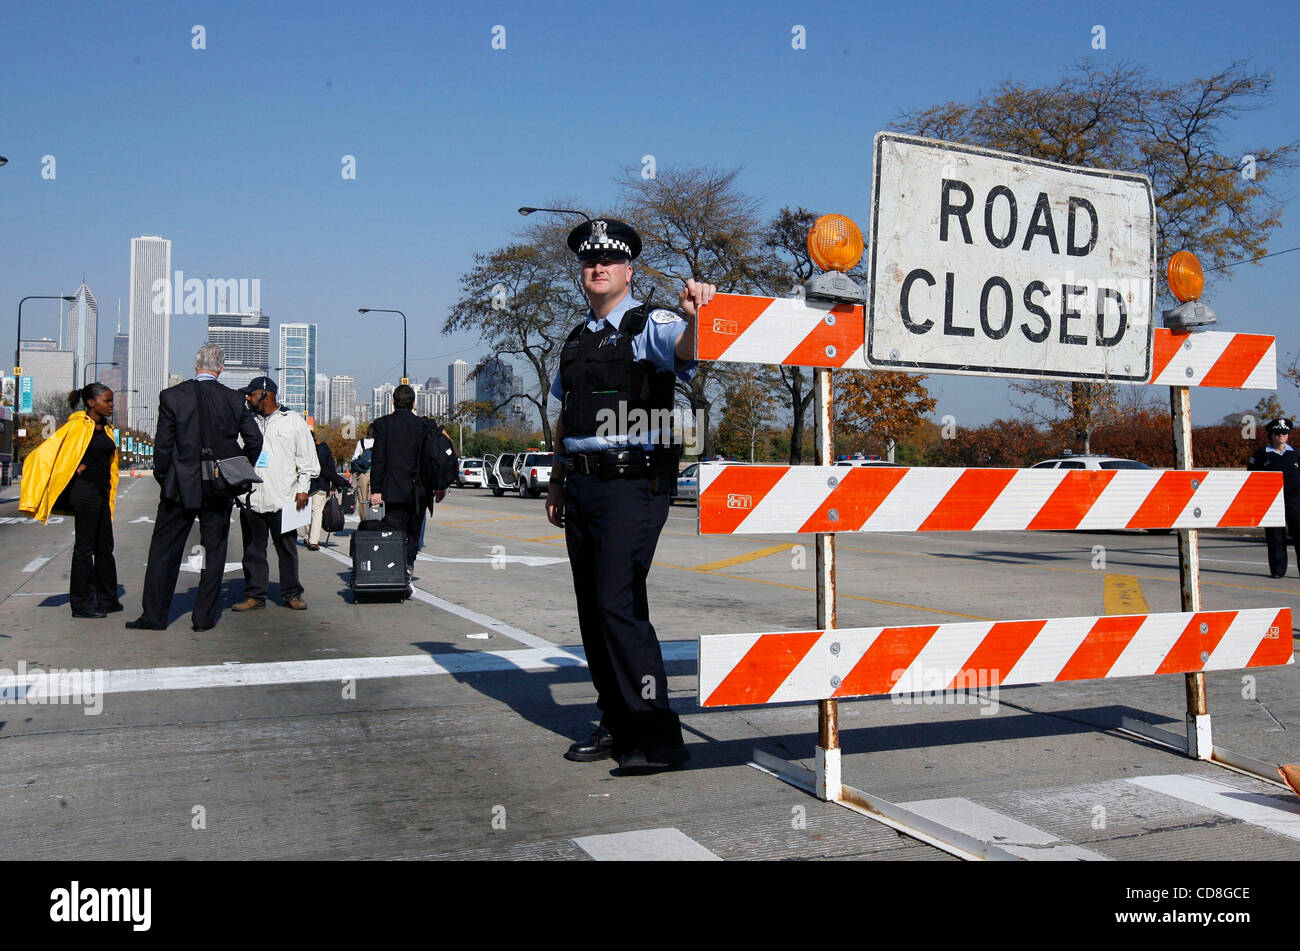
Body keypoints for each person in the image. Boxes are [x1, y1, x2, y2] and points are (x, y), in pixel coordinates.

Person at [544, 217, 715, 774]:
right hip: (585, 483)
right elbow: (565, 415)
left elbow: (685, 349)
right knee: (593, 610)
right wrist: (559, 478)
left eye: (609, 261)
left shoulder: (650, 322)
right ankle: (617, 720)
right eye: (590, 262)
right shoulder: (575, 339)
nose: (598, 268)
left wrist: (695, 317)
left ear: (628, 271)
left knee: (618, 605)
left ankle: (657, 738)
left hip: (634, 483)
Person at [126, 344, 263, 631]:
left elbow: (163, 445)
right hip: (219, 481)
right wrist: (236, 468)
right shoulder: (232, 399)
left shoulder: (173, 396)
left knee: (164, 549)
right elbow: (254, 440)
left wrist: (165, 476)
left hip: (182, 480)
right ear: (221, 368)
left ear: (195, 364)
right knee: (215, 550)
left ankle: (154, 616)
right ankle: (204, 617)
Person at [18, 383, 122, 618]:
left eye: (112, 401)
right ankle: (81, 604)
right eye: (107, 401)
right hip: (85, 493)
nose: (111, 405)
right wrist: (73, 467)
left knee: (105, 547)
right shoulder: (76, 427)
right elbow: (46, 454)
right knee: (85, 548)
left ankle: (108, 599)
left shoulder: (105, 429)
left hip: (102, 492)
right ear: (91, 402)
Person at [232, 376, 319, 611]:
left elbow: (308, 460)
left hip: (284, 498)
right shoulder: (247, 421)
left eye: (251, 394)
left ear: (265, 394)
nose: (248, 398)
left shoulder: (292, 421)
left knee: (287, 550)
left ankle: (292, 593)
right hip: (252, 498)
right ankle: (255, 595)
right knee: (253, 551)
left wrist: (303, 490)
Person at [369, 384, 445, 571]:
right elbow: (434, 458)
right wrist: (439, 485)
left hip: (393, 490)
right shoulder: (425, 426)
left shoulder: (382, 425)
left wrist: (376, 490)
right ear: (414, 404)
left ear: (393, 402)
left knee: (394, 531)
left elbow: (379, 460)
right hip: (419, 491)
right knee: (414, 531)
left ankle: (395, 569)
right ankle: (409, 564)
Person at [1247, 417, 1300, 577]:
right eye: (1277, 433)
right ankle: (1278, 570)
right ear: (1271, 435)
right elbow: (1252, 476)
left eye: (1284, 433)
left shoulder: (1296, 454)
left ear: (1288, 435)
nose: (1281, 436)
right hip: (1272, 501)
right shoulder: (1262, 455)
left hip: (1295, 500)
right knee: (1276, 537)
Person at [302, 431, 351, 550]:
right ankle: (313, 541)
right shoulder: (323, 449)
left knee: (306, 512)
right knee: (317, 512)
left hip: (305, 485)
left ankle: (308, 536)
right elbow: (330, 469)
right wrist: (335, 483)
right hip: (321, 484)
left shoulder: (302, 451)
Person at [351, 435, 374, 504]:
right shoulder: (380, 441)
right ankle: (375, 514)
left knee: (362, 499)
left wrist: (351, 474)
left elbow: (354, 459)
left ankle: (364, 514)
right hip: (376, 473)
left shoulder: (361, 442)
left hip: (363, 474)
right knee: (374, 499)